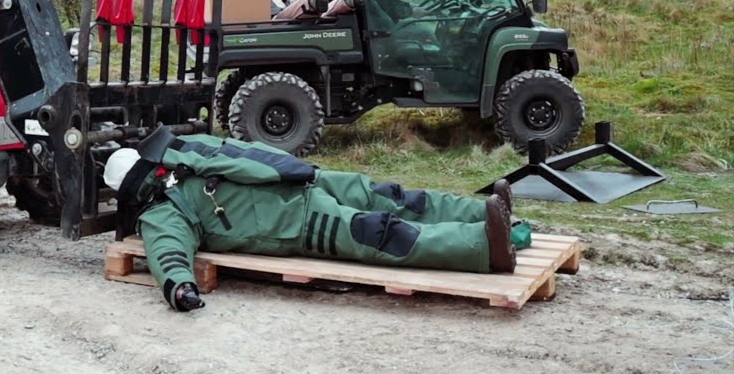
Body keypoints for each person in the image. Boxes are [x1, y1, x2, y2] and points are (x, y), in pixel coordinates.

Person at [103, 130, 518, 312]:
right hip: (295, 221)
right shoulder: (162, 213)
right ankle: (485, 247)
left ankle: (492, 217)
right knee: (382, 234)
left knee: (394, 198)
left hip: (304, 178)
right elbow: (168, 252)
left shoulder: (184, 159)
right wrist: (179, 287)